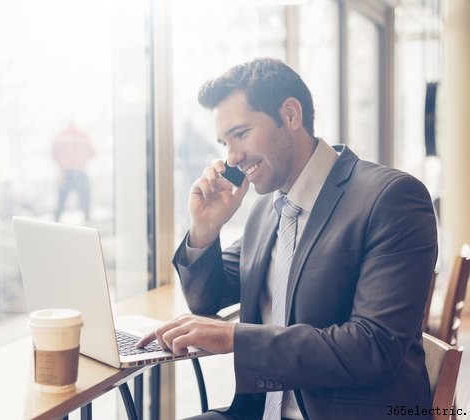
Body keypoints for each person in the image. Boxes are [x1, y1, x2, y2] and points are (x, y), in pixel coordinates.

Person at [137, 58, 438, 419]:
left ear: (291, 115)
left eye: (241, 134)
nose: (231, 157)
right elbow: (207, 300)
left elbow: (373, 348)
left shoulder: (391, 198)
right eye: (224, 142)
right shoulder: (268, 211)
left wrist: (234, 338)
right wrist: (204, 229)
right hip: (256, 411)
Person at [52, 123, 96, 222]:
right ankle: (87, 219)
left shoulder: (61, 135)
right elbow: (92, 153)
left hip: (69, 171)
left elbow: (54, 155)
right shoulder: (82, 135)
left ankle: (56, 220)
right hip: (75, 170)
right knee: (68, 198)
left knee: (64, 199)